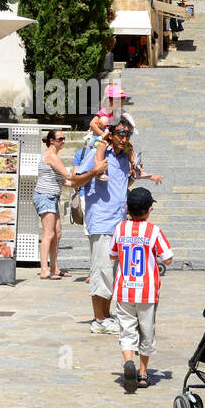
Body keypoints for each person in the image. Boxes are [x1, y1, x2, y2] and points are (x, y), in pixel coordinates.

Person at [75, 117, 164, 336]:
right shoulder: (99, 154)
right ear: (111, 134)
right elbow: (77, 180)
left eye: (127, 134)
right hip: (102, 221)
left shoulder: (124, 158)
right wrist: (96, 172)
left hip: (119, 222)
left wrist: (138, 176)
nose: (124, 138)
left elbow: (123, 184)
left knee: (112, 273)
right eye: (120, 133)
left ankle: (106, 316)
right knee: (101, 271)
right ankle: (99, 319)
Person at [109, 186, 173, 392]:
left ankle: (129, 360)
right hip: (147, 290)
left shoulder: (120, 228)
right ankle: (143, 372)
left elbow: (112, 254)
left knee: (127, 329)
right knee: (147, 331)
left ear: (127, 208)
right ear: (149, 210)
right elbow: (168, 258)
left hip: (124, 289)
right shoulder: (153, 231)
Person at [34, 129, 92, 280]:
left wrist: (79, 183)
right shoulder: (51, 156)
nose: (63, 141)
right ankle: (44, 270)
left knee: (57, 232)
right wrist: (91, 173)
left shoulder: (53, 156)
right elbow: (68, 175)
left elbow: (64, 181)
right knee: (49, 233)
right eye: (60, 139)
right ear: (51, 140)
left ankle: (54, 267)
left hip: (52, 196)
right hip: (45, 196)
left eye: (64, 138)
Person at [85, 84, 129, 183]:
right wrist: (101, 134)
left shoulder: (120, 114)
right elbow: (92, 123)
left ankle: (136, 167)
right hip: (100, 139)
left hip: (112, 139)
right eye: (118, 101)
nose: (121, 103)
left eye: (122, 101)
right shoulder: (104, 111)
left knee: (128, 147)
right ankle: (99, 170)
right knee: (102, 145)